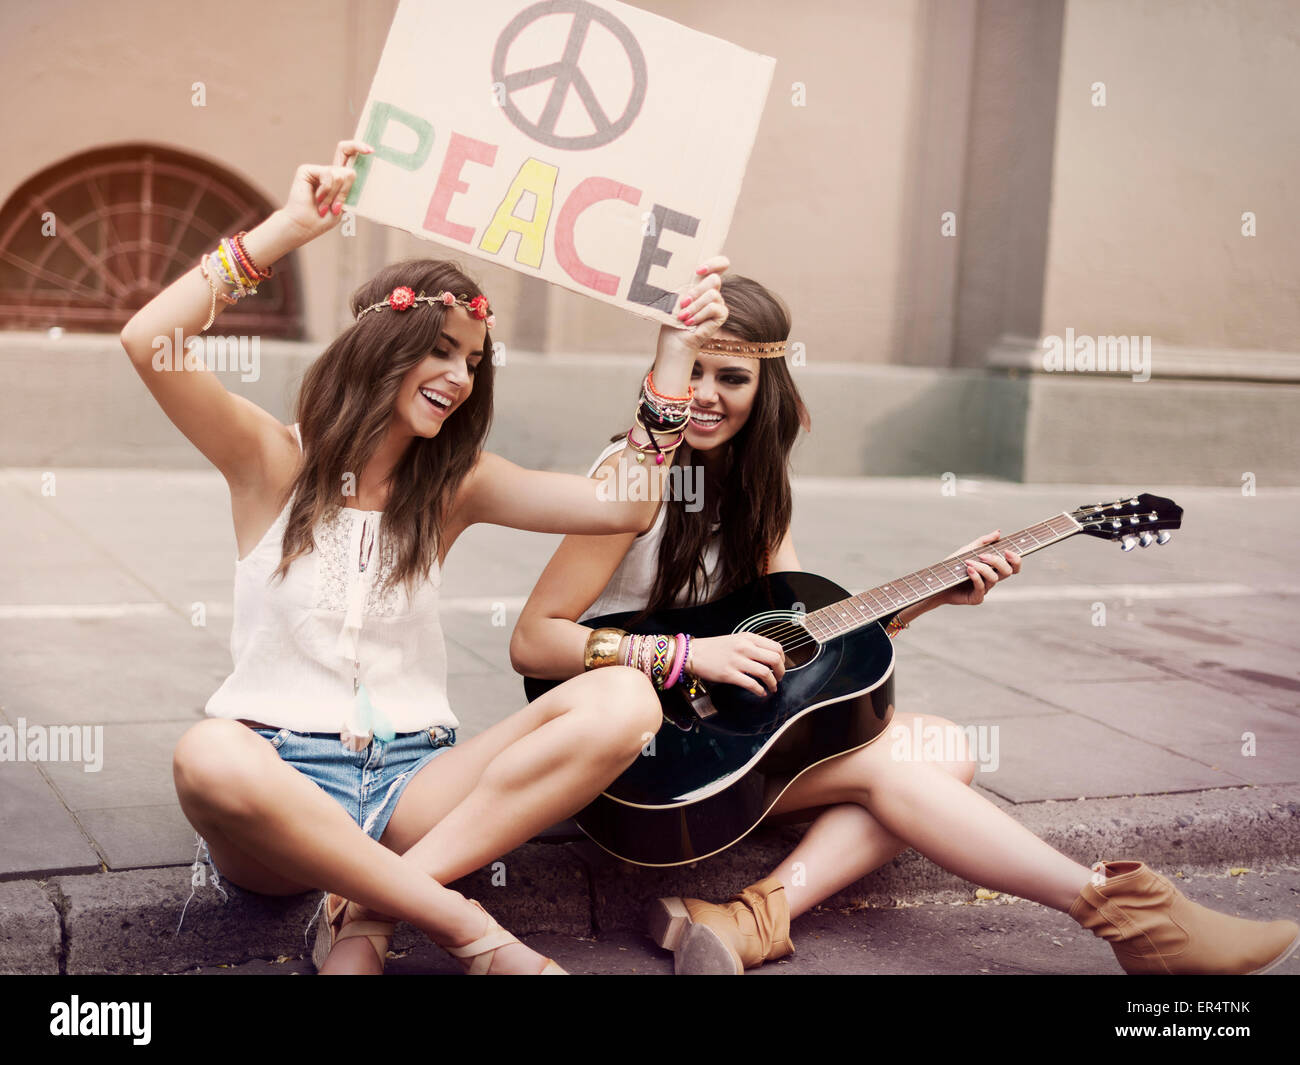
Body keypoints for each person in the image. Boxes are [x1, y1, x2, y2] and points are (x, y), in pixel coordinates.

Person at [510, 273, 1300, 976]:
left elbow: (802, 637)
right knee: (898, 768)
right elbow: (534, 637)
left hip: (715, 746)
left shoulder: (758, 492)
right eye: (696, 370)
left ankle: (749, 919)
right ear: (668, 372)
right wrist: (696, 653)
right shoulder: (630, 476)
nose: (709, 393)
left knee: (944, 746)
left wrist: (932, 593)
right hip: (630, 760)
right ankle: (1119, 909)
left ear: (768, 386)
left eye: (734, 375)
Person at [120, 139, 729, 974]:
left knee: (625, 700)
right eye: (441, 348)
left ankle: (369, 903)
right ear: (382, 346)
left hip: (415, 785)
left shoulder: (456, 484)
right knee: (207, 753)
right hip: (280, 786)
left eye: (474, 360)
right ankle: (469, 930)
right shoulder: (270, 462)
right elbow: (149, 337)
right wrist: (288, 228)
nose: (461, 375)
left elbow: (622, 503)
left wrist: (672, 352)